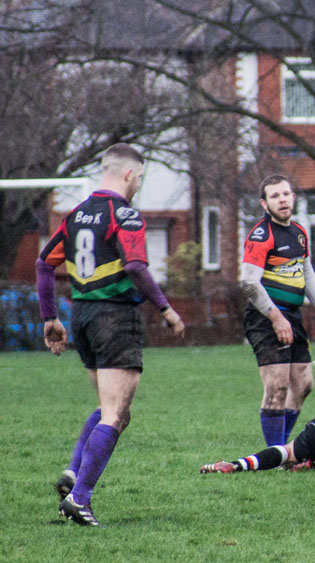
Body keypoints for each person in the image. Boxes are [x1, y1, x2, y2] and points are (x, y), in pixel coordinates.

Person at [37, 143, 186, 527]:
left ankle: (74, 473)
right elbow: (136, 266)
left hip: (82, 316)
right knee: (116, 413)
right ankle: (80, 498)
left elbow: (43, 263)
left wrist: (50, 318)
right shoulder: (125, 215)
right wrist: (166, 308)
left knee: (110, 409)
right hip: (115, 319)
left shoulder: (75, 215)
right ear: (129, 174)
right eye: (140, 177)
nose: (138, 184)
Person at [241, 175, 315, 448]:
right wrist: (276, 318)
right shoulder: (262, 235)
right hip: (266, 318)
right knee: (277, 388)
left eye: (286, 194)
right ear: (264, 203)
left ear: (293, 197)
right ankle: (275, 455)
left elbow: (306, 270)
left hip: (293, 316)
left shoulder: (299, 232)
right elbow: (248, 283)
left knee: (304, 383)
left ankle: (282, 450)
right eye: (275, 196)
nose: (282, 199)